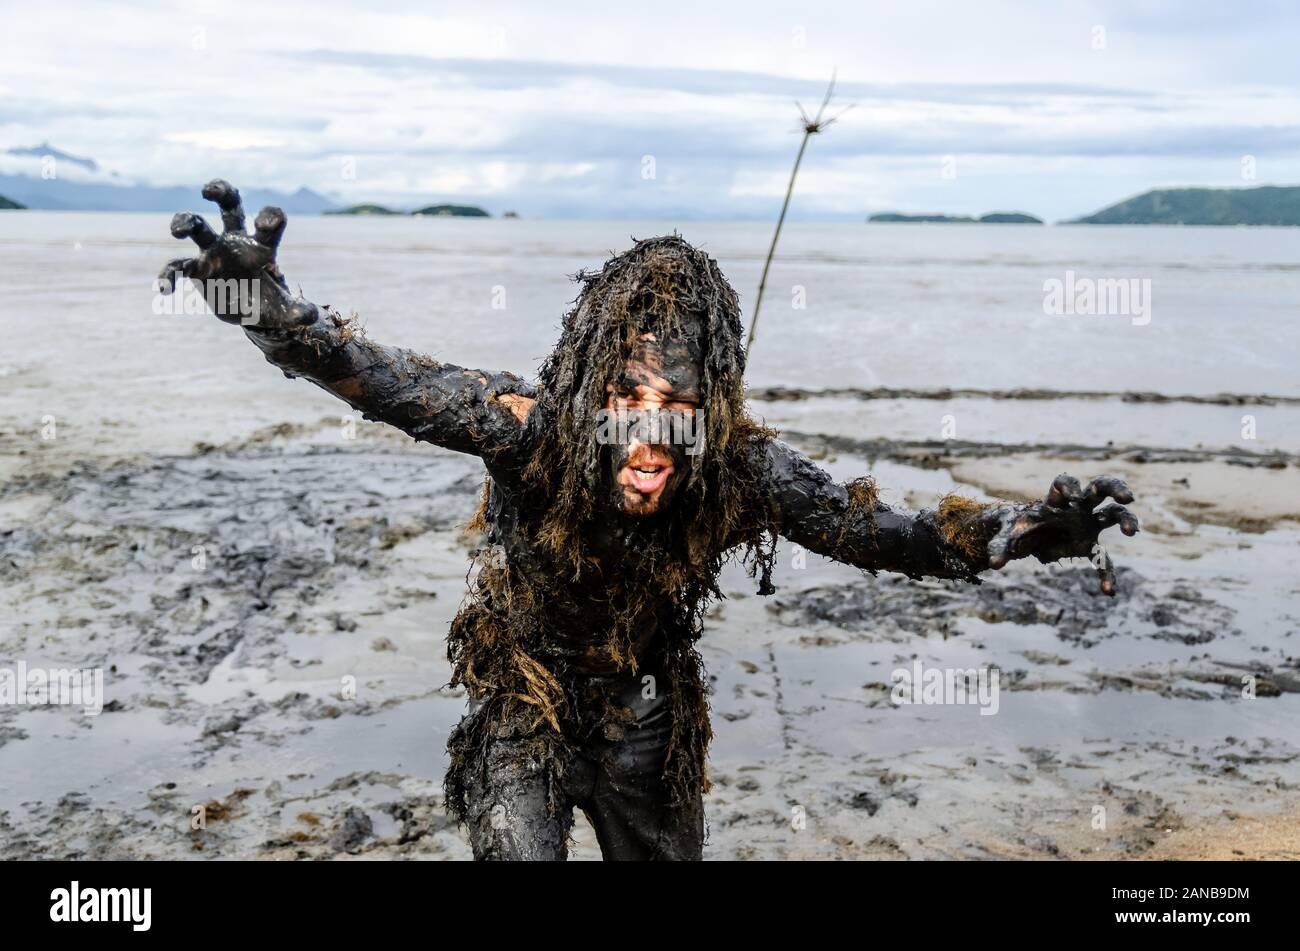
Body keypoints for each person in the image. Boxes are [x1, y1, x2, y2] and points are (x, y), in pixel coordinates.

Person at [157, 181, 1140, 860]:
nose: (651, 434)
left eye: (682, 402)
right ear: (593, 386)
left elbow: (894, 536)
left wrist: (1033, 532)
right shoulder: (530, 432)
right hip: (524, 707)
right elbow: (379, 379)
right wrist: (267, 310)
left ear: (713, 402)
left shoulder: (743, 472)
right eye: (629, 394)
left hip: (648, 722)